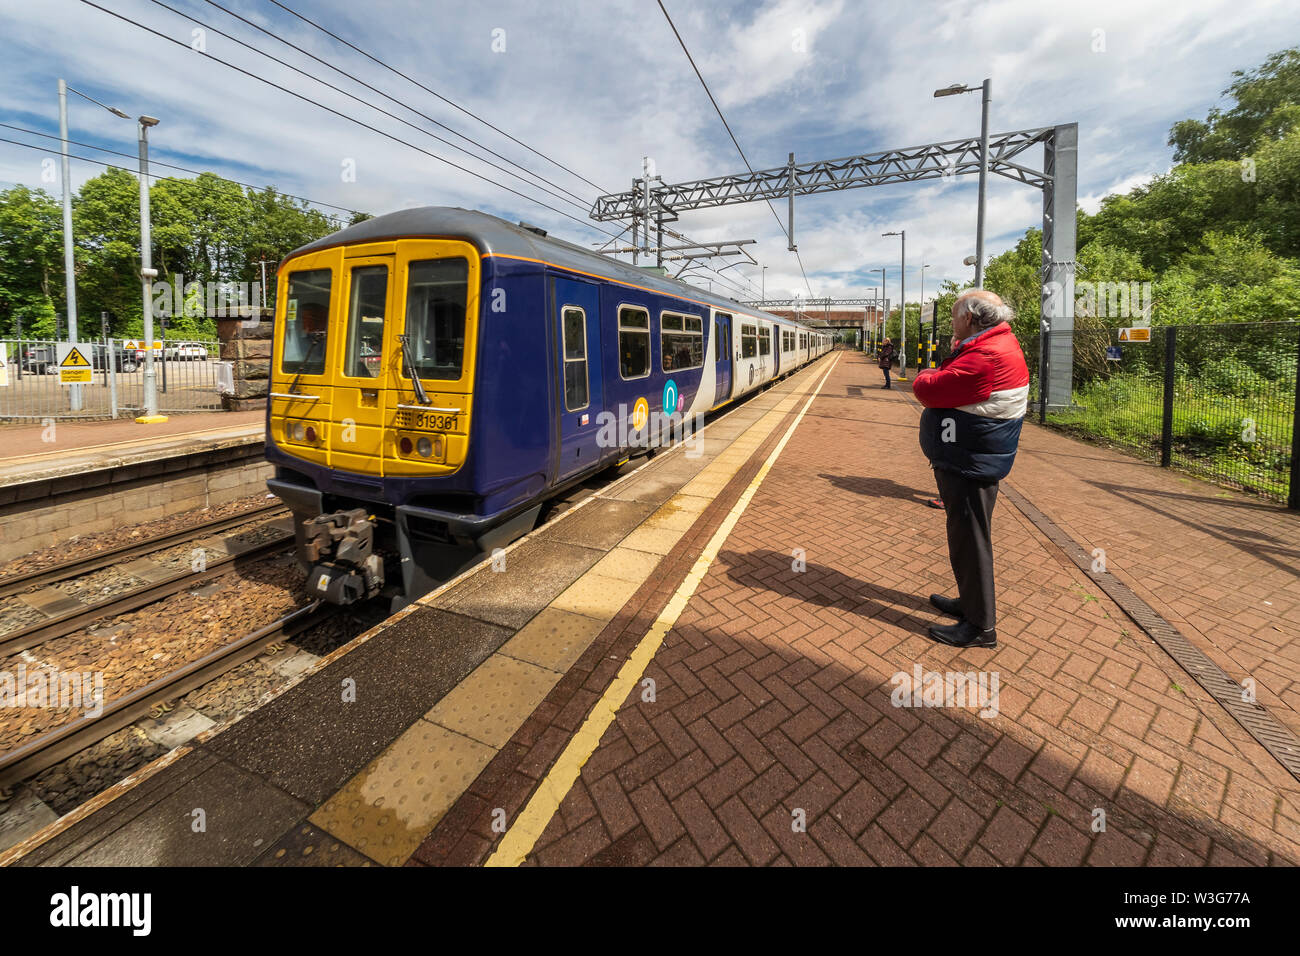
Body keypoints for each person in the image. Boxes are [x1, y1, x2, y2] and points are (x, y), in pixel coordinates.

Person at [911, 290, 1029, 649]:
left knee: (971, 541)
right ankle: (970, 603)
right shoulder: (994, 346)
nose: (951, 321)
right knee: (967, 538)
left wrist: (929, 372)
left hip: (969, 463)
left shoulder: (986, 356)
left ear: (971, 318)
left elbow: (927, 389)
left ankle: (980, 628)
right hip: (972, 458)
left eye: (954, 315)